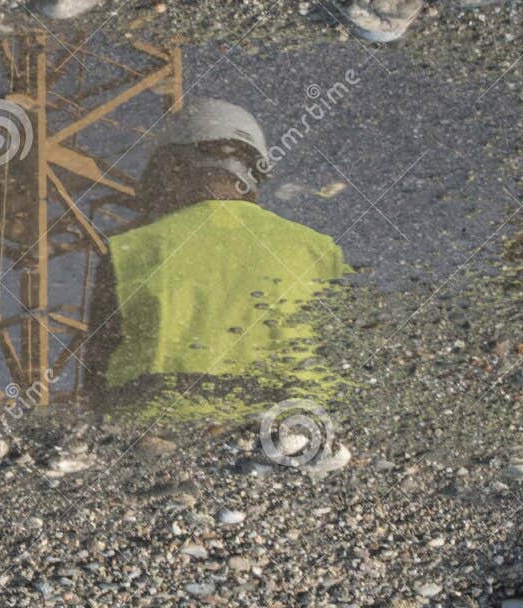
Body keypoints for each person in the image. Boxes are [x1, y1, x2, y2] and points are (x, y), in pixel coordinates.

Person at [83, 99, 350, 423]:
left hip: (156, 429)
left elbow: (95, 383)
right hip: (294, 433)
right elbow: (344, 360)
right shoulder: (318, 250)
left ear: (172, 168)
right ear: (255, 173)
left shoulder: (130, 250)